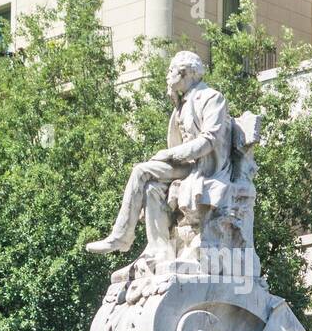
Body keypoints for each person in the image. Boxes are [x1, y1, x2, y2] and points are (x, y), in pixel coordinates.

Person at [85, 51, 233, 259]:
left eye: (170, 70)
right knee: (151, 188)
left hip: (203, 166)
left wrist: (168, 153)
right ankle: (159, 249)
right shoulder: (181, 104)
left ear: (185, 72)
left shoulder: (211, 97)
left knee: (141, 171)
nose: (167, 75)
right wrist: (176, 104)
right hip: (185, 166)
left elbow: (209, 139)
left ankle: (121, 236)